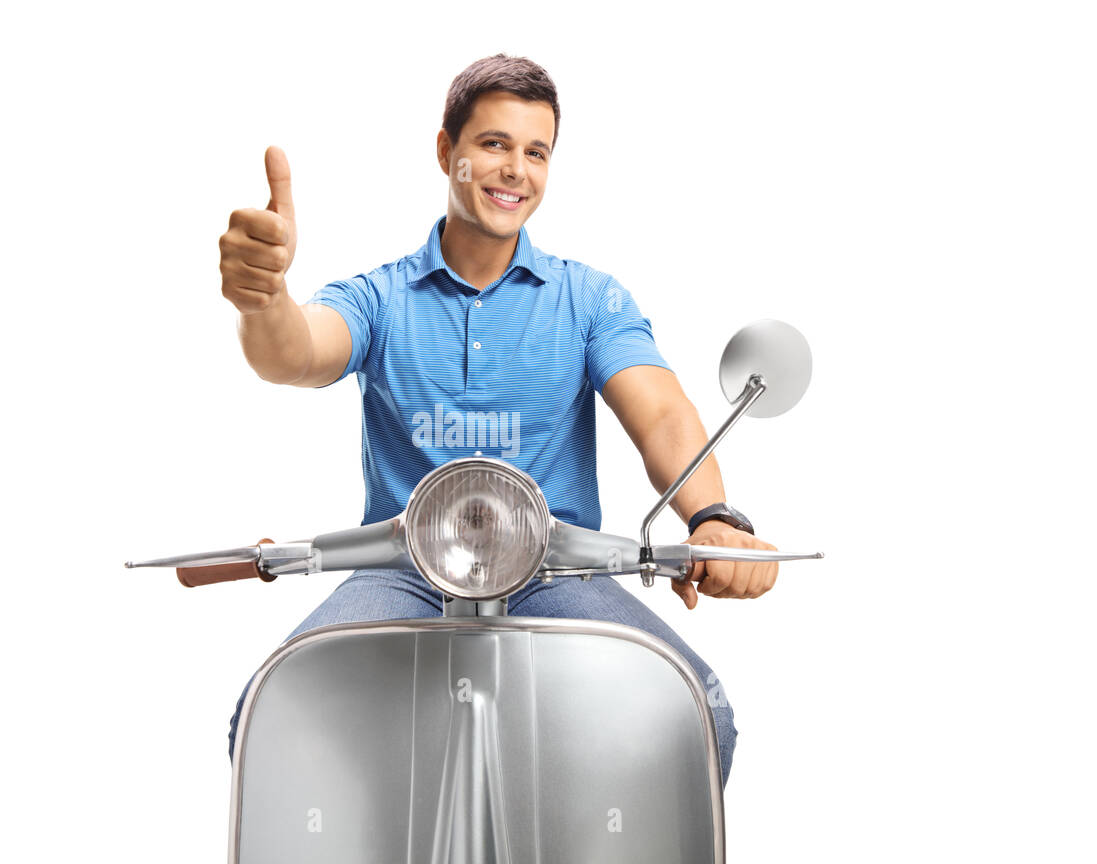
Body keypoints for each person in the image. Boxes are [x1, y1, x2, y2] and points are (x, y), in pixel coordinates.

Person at [218, 54, 779, 789]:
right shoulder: (379, 297)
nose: (515, 169)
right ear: (446, 150)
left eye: (535, 152)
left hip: (558, 570)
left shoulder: (588, 299)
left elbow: (665, 411)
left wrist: (712, 515)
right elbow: (296, 352)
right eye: (492, 144)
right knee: (276, 709)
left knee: (693, 709)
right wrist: (263, 301)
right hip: (405, 573)